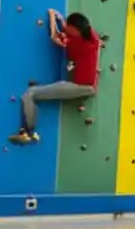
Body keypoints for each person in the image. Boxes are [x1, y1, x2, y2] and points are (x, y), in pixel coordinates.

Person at [8, 10, 99, 145]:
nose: (66, 26)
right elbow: (66, 31)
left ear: (76, 31)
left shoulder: (77, 44)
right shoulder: (91, 36)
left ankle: (28, 132)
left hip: (80, 86)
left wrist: (52, 16)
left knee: (30, 94)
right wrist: (62, 21)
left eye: (69, 26)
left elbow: (54, 37)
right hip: (89, 79)